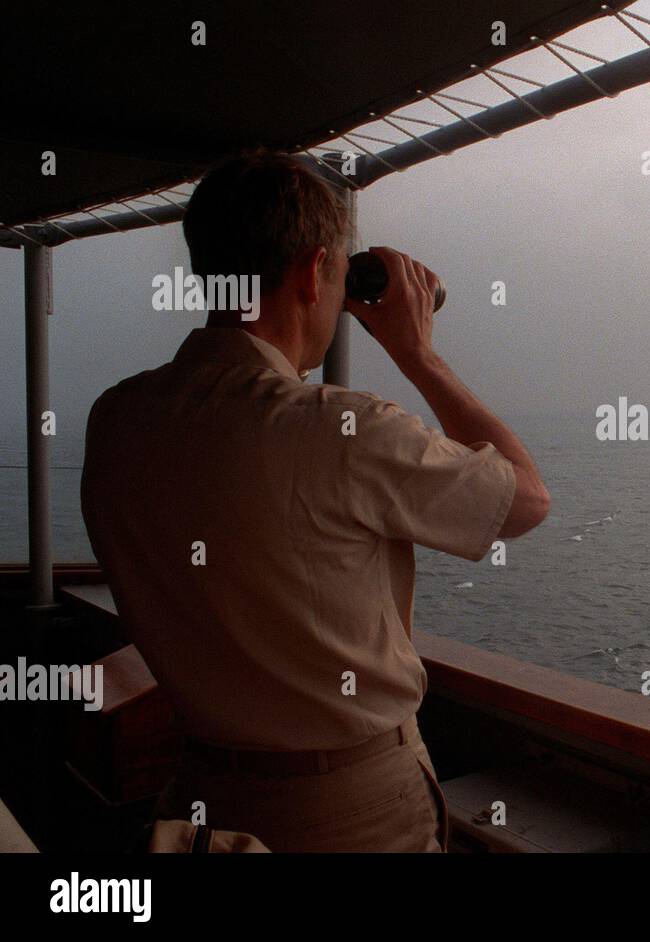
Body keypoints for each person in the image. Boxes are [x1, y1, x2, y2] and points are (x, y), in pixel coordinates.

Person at [81, 150, 549, 852]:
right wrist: (418, 353)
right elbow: (526, 498)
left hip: (201, 799)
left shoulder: (117, 419)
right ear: (310, 273)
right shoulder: (339, 429)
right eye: (335, 277)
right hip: (350, 815)